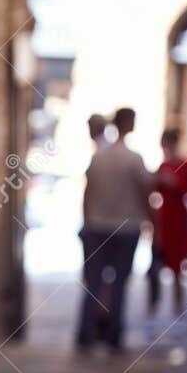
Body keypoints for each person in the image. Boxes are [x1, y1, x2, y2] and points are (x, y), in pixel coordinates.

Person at [76, 107, 153, 354]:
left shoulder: (99, 157)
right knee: (119, 285)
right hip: (125, 229)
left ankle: (86, 335)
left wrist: (87, 221)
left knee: (94, 284)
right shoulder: (133, 159)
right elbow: (145, 194)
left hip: (97, 227)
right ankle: (113, 336)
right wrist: (152, 223)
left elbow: (87, 193)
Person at [146, 127, 187, 318]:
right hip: (163, 221)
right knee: (155, 267)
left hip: (179, 220)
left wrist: (175, 184)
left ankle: (179, 307)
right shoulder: (162, 166)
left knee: (178, 266)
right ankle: (153, 307)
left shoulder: (186, 165)